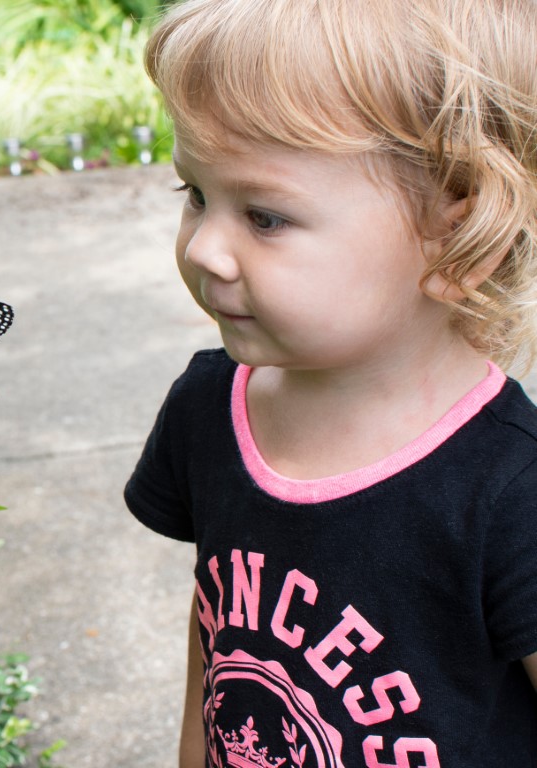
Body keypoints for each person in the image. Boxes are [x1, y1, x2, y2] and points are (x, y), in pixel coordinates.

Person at [123, 0, 537, 764]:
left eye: (265, 216)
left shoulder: (509, 489)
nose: (206, 247)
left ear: (458, 223)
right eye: (195, 195)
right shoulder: (209, 409)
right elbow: (222, 624)